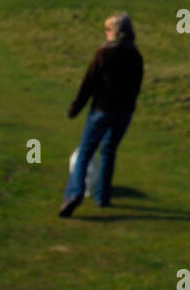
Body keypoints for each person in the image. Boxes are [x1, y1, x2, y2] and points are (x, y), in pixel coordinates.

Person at [59, 12, 143, 217]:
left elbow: (88, 84)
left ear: (116, 32)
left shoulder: (104, 54)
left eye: (108, 29)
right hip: (124, 113)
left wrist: (75, 108)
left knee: (86, 152)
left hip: (101, 110)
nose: (106, 33)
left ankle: (74, 193)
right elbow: (136, 86)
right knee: (109, 151)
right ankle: (103, 196)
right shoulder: (136, 56)